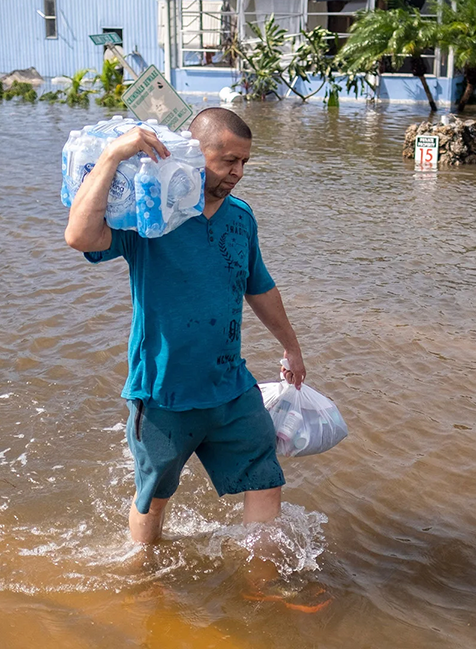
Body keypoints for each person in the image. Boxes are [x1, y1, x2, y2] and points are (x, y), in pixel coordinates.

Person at [64, 107, 306, 545]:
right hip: (162, 393)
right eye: (228, 161)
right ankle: (144, 583)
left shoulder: (240, 218)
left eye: (245, 162)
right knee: (154, 499)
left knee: (265, 480)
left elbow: (260, 288)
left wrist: (291, 347)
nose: (238, 172)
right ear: (195, 154)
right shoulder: (151, 215)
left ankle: (263, 589)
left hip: (231, 386)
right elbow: (80, 236)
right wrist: (112, 157)